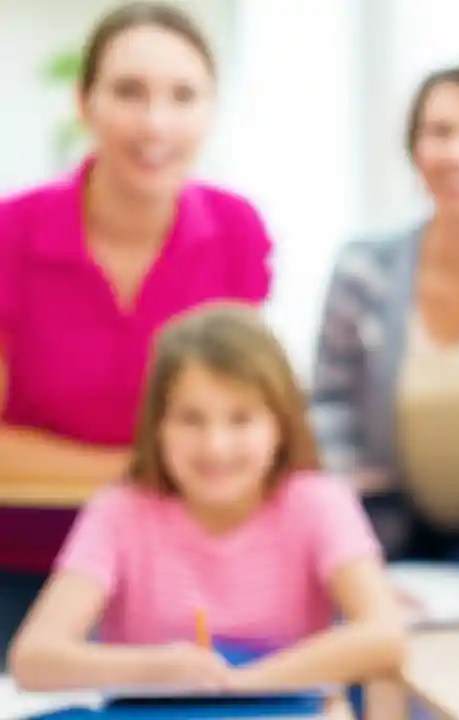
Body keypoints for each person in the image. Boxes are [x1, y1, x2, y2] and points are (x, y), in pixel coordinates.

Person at [0, 1, 272, 666]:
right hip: (24, 570)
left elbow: (240, 420)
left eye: (183, 96)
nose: (156, 123)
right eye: (129, 92)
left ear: (212, 110)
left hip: (178, 574)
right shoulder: (10, 236)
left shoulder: (236, 233)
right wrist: (141, 468)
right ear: (84, 103)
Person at [7, 304, 404, 692]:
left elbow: (385, 635)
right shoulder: (120, 512)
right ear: (157, 426)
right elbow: (33, 658)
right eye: (190, 419)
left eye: (241, 418)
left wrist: (243, 684)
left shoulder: (318, 503)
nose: (216, 446)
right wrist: (154, 670)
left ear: (281, 424)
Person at [312, 61, 459, 562]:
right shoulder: (362, 269)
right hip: (390, 546)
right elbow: (330, 410)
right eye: (440, 132)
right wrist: (357, 552)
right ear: (415, 150)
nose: (458, 153)